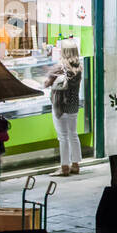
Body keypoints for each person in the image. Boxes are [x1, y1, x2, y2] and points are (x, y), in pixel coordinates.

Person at [44, 41, 83, 176]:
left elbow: (45, 83)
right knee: (73, 134)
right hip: (73, 106)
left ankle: (64, 167)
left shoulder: (59, 67)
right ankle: (76, 165)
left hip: (60, 106)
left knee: (63, 137)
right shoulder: (79, 67)